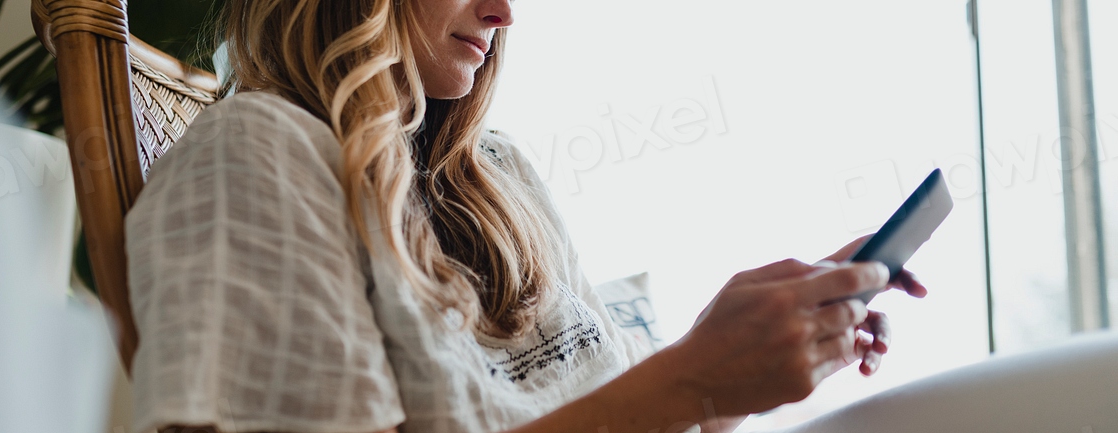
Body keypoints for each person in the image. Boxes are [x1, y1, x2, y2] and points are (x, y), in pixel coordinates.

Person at [122, 0, 927, 432]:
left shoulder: (496, 175)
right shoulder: (260, 157)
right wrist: (692, 380)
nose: (506, 11)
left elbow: (625, 413)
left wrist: (734, 364)